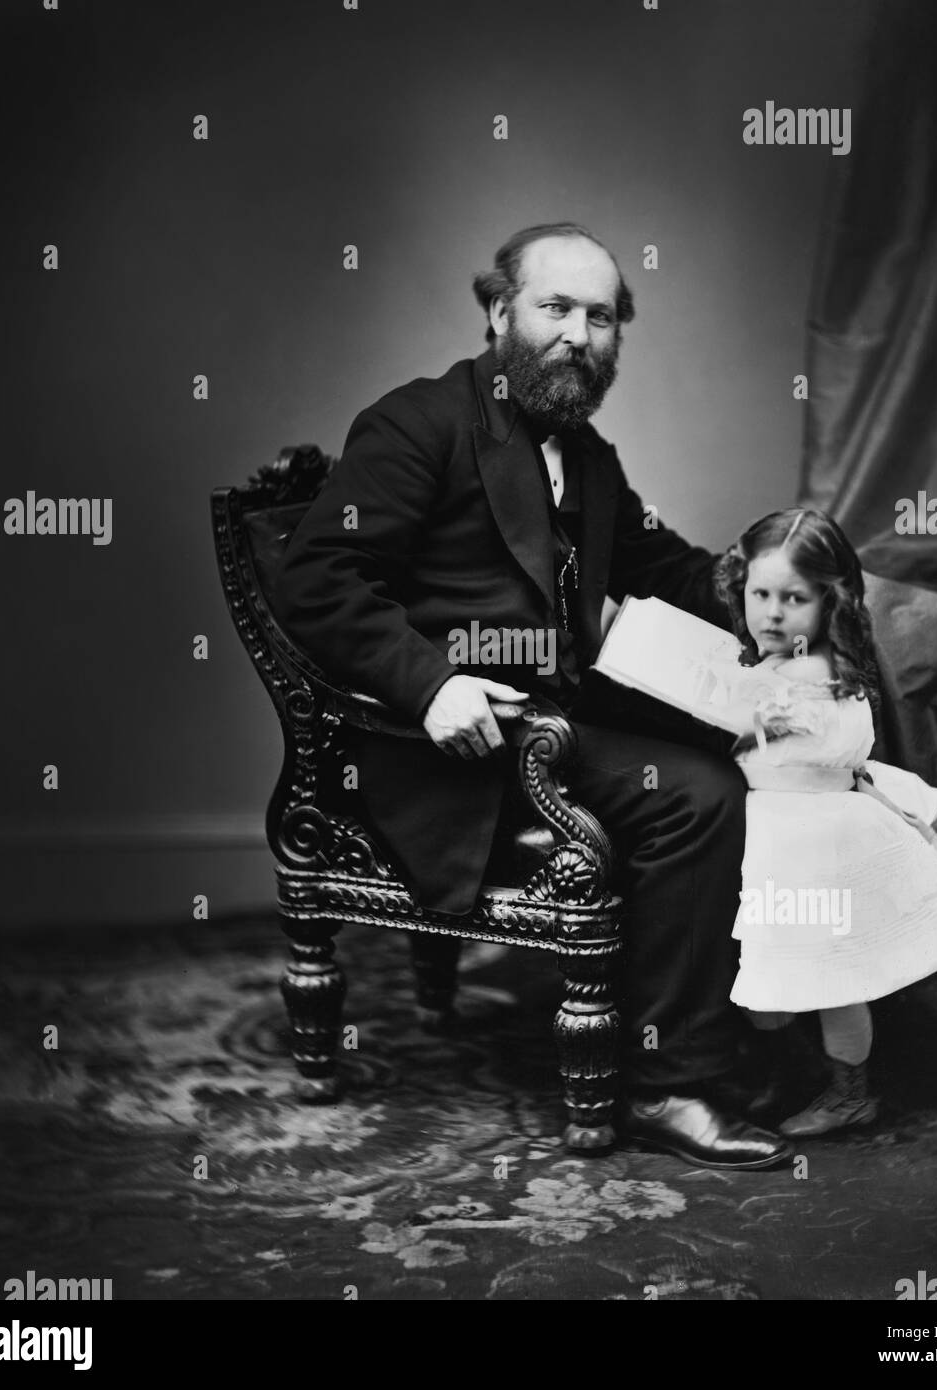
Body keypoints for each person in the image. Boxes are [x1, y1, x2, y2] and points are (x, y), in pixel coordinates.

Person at [275, 222, 790, 1170]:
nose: (577, 335)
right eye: (555, 308)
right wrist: (429, 685)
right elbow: (316, 578)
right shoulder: (417, 423)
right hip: (450, 746)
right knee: (699, 797)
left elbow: (662, 566)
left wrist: (774, 593)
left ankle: (710, 1032)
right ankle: (667, 1086)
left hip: (555, 723)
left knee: (734, 750)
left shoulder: (584, 452)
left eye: (601, 317)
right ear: (498, 310)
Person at [712, 507, 937, 1136]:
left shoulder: (816, 674)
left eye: (794, 599)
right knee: (779, 977)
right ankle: (793, 1073)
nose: (773, 614)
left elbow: (813, 734)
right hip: (776, 839)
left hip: (817, 846)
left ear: (829, 602)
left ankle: (850, 1093)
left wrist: (747, 714)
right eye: (760, 595)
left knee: (836, 981)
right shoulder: (770, 666)